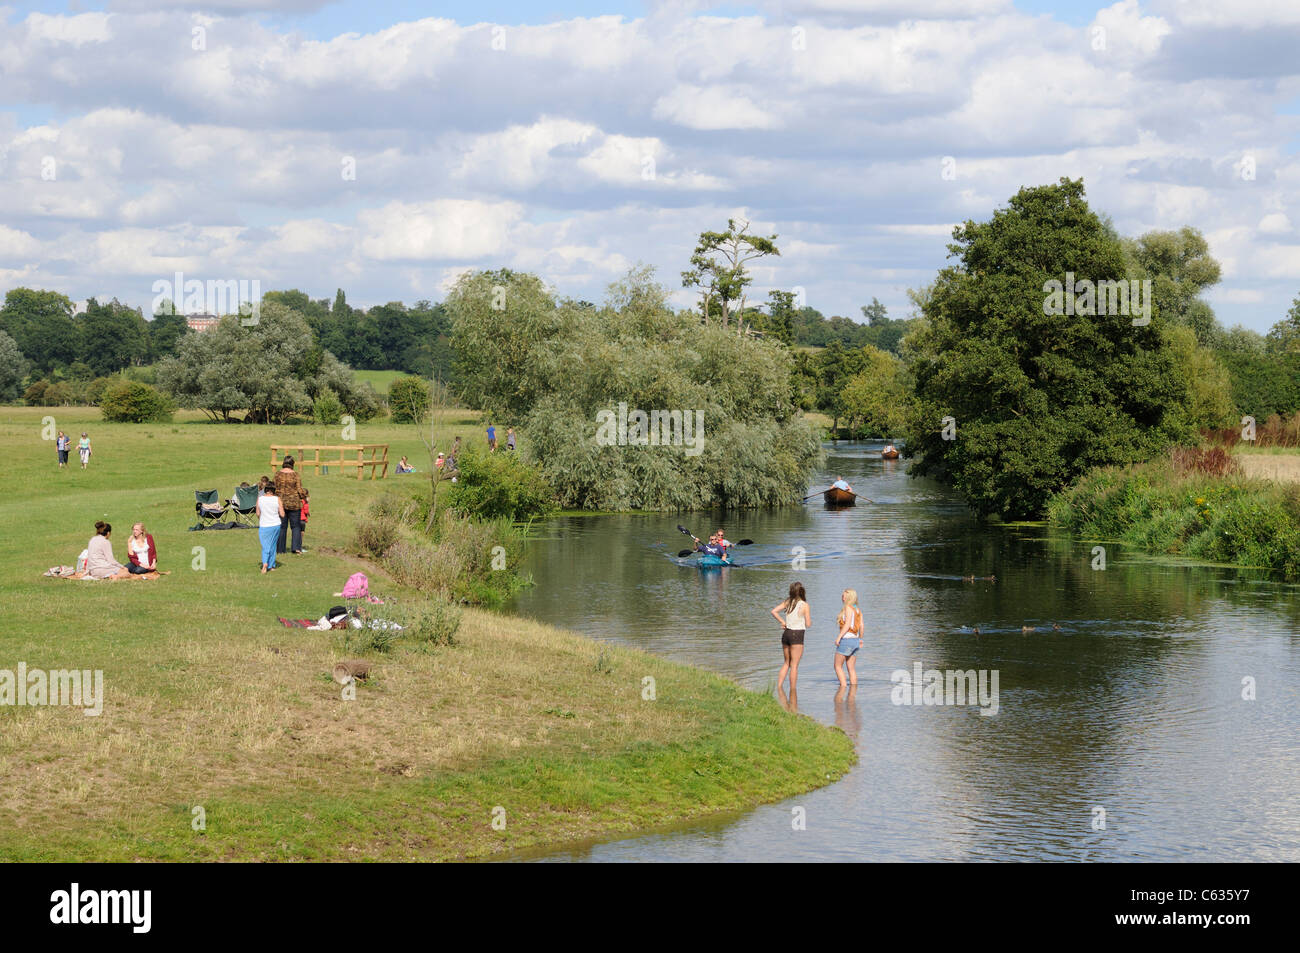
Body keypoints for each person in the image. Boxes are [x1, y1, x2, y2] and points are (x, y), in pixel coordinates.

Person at [771, 582, 810, 694]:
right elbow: (808, 624)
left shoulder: (788, 601)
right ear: (802, 591)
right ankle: (793, 690)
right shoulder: (804, 605)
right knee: (794, 665)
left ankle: (779, 687)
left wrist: (783, 621)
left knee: (786, 663)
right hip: (797, 635)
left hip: (786, 634)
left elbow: (773, 611)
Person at [274, 456, 304, 555]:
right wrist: (305, 496)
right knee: (295, 526)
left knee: (282, 527)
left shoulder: (277, 474)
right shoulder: (296, 475)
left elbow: (274, 487)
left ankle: (280, 549)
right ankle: (296, 548)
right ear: (292, 464)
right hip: (294, 503)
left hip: (280, 503)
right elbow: (299, 490)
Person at [834, 589, 863, 689]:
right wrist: (860, 639)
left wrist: (838, 638)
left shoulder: (848, 608)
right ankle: (853, 692)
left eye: (844, 596)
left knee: (837, 666)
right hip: (855, 640)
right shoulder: (858, 610)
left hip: (846, 640)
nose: (842, 597)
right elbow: (862, 626)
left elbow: (846, 625)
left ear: (849, 597)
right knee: (851, 668)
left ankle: (842, 688)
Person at [257, 479, 285, 573]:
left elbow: (257, 513)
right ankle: (271, 565)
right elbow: (282, 514)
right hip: (275, 524)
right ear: (274, 490)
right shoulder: (277, 499)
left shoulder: (260, 499)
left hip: (264, 525)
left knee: (265, 546)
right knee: (273, 545)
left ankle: (265, 562)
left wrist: (261, 518)